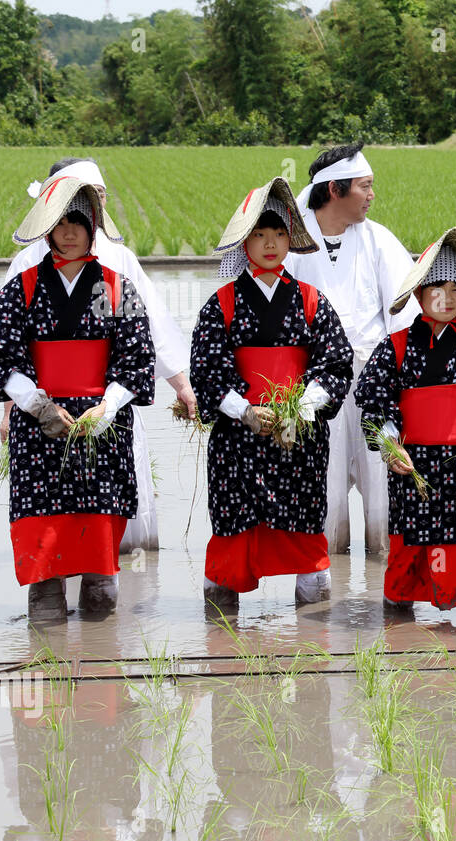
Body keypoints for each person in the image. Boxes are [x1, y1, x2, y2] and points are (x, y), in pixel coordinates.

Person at [0, 176, 155, 620]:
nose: (71, 232)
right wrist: (38, 407)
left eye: (79, 221)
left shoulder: (116, 288)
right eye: (61, 222)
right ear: (48, 229)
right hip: (39, 423)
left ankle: (100, 624)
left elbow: (137, 358)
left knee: (99, 523)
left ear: (94, 225)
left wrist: (106, 408)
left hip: (102, 423)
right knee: (42, 527)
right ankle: (45, 613)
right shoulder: (20, 289)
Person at [3, 157, 194, 552]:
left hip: (109, 403)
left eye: (100, 197)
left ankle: (113, 588)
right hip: (45, 408)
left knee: (115, 511)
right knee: (50, 519)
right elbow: (8, 349)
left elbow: (149, 332)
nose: (98, 205)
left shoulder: (117, 261)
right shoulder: (26, 267)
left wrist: (181, 385)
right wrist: (11, 411)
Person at [190, 178, 353, 610]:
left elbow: (336, 364)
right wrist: (244, 411)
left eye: (278, 234)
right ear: (245, 243)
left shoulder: (312, 301)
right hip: (238, 438)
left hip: (297, 437)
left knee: (302, 526)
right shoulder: (221, 304)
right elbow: (206, 374)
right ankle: (223, 632)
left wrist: (299, 411)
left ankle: (313, 639)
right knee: (233, 525)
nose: (269, 243)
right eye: (260, 234)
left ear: (290, 241)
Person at [355, 228, 456, 614]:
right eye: (436, 289)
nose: (446, 299)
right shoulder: (394, 348)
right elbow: (375, 406)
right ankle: (402, 651)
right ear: (418, 294)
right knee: (403, 579)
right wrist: (389, 446)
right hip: (412, 472)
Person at [286, 144, 419, 558]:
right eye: (365, 187)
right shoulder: (290, 243)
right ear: (335, 190)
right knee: (322, 483)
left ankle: (386, 576)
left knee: (383, 481)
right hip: (313, 386)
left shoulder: (378, 240)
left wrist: (404, 382)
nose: (371, 195)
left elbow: (404, 314)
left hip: (373, 381)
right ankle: (325, 582)